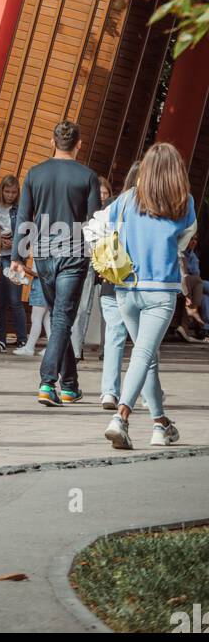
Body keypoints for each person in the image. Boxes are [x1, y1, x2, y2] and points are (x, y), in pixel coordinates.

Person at [100, 143, 196, 450]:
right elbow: (183, 241)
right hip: (160, 291)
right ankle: (121, 418)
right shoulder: (184, 203)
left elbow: (107, 230)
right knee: (143, 355)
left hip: (126, 290)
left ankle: (160, 424)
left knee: (148, 358)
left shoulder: (125, 200)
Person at [11, 120, 100, 406]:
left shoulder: (35, 174)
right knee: (62, 319)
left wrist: (16, 256)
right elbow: (93, 222)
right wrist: (99, 258)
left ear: (52, 141)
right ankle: (47, 382)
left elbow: (24, 216)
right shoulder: (88, 177)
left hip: (43, 255)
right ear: (79, 145)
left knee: (60, 319)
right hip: (74, 254)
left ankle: (70, 385)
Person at [84, 164, 139, 409]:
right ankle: (146, 394)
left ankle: (109, 392)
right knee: (144, 342)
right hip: (140, 285)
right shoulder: (150, 211)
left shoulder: (113, 206)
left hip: (111, 282)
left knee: (114, 338)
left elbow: (91, 234)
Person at [70, 174, 112, 361]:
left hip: (106, 262)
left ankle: (107, 348)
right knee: (82, 306)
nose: (102, 196)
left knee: (106, 308)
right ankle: (75, 349)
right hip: (86, 259)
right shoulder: (86, 211)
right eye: (99, 192)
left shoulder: (111, 211)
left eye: (105, 193)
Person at [0, 174, 27, 351]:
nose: (10, 195)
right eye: (7, 191)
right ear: (2, 190)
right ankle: (0, 339)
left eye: (14, 192)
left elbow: (26, 235)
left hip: (14, 258)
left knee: (15, 300)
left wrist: (13, 243)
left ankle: (22, 338)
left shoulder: (19, 210)